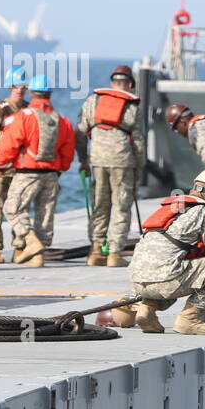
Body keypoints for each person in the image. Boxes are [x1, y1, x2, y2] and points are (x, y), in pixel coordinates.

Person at [129, 169, 205, 335]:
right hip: (165, 281)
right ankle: (189, 320)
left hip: (138, 283)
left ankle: (147, 308)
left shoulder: (173, 205)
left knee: (173, 265)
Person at [0, 74, 75, 267]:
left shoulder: (23, 117)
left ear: (31, 93)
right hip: (52, 174)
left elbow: (10, 144)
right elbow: (68, 151)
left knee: (12, 208)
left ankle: (30, 240)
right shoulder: (62, 120)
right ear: (50, 94)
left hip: (27, 172)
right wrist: (59, 167)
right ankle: (38, 256)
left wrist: (1, 163)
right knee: (44, 215)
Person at [76, 64, 145, 267]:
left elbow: (79, 133)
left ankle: (96, 250)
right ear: (130, 84)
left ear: (112, 82)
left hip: (97, 159)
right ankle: (114, 254)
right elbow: (139, 143)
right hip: (123, 162)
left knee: (100, 204)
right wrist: (139, 171)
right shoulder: (132, 107)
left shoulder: (93, 100)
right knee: (122, 207)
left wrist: (83, 159)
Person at [0, 65, 28, 263]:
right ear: (10, 86)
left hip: (20, 168)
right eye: (16, 85)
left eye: (23, 86)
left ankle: (19, 247)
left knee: (19, 208)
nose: (19, 89)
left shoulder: (28, 110)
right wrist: (13, 139)